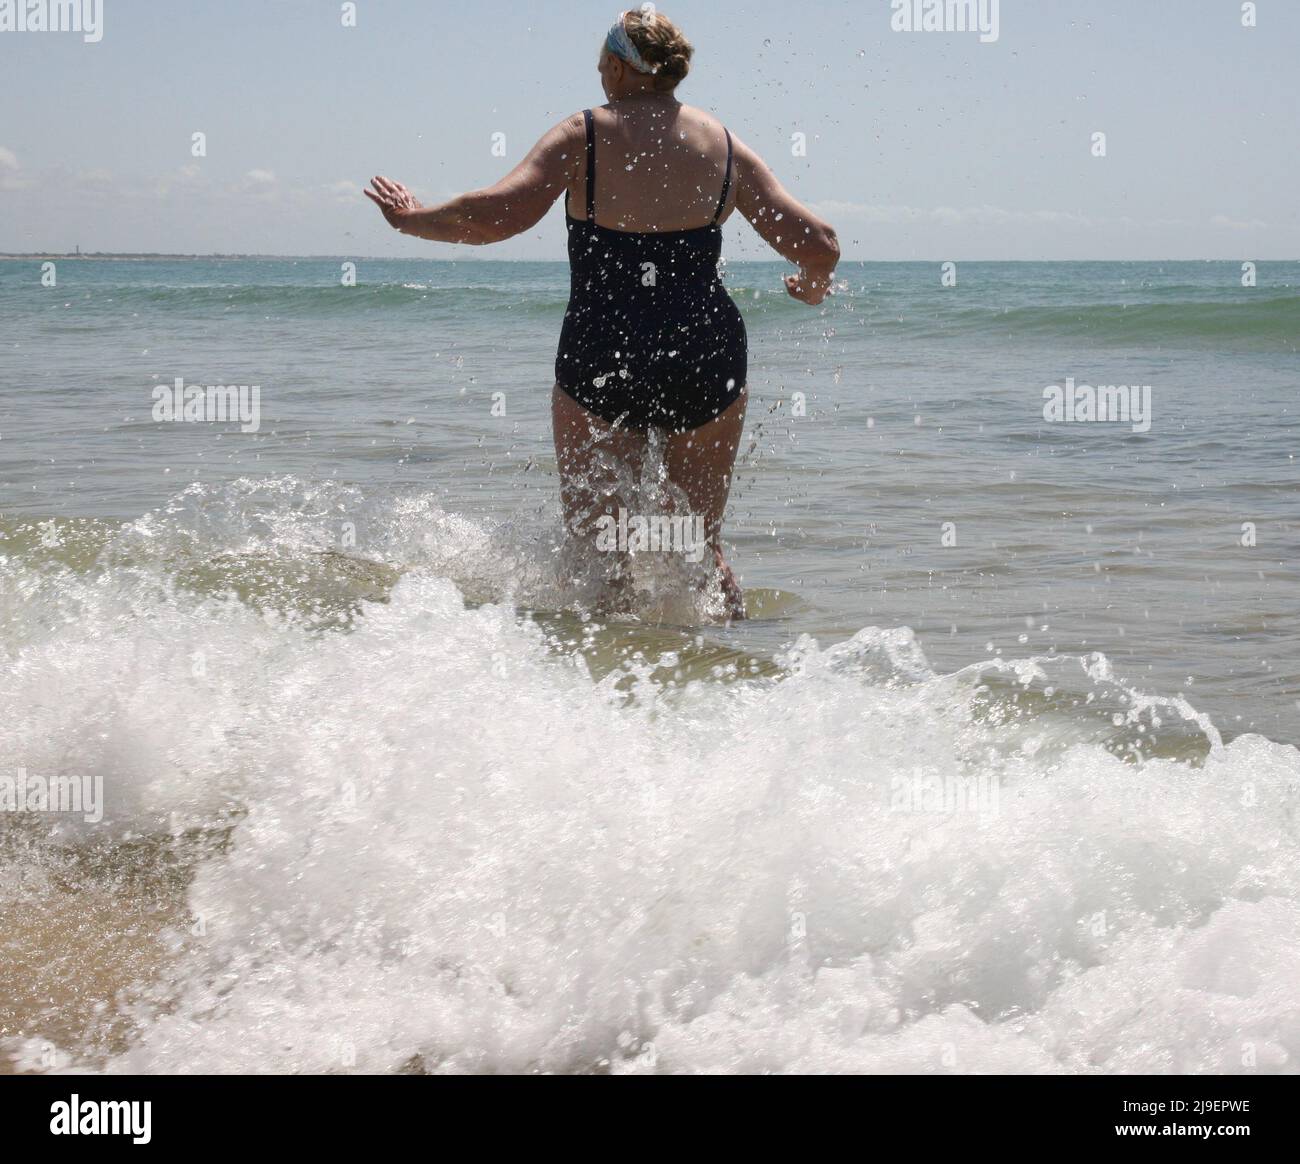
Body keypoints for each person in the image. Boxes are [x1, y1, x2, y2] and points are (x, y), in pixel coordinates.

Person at [366, 8, 839, 619]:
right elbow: (819, 243)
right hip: (703, 357)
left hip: (602, 353)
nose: (598, 76)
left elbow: (494, 217)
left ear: (619, 66)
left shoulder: (584, 135)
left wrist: (413, 220)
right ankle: (734, 677)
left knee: (600, 556)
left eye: (600, 65)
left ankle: (601, 690)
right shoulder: (721, 145)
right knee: (698, 543)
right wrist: (811, 284)